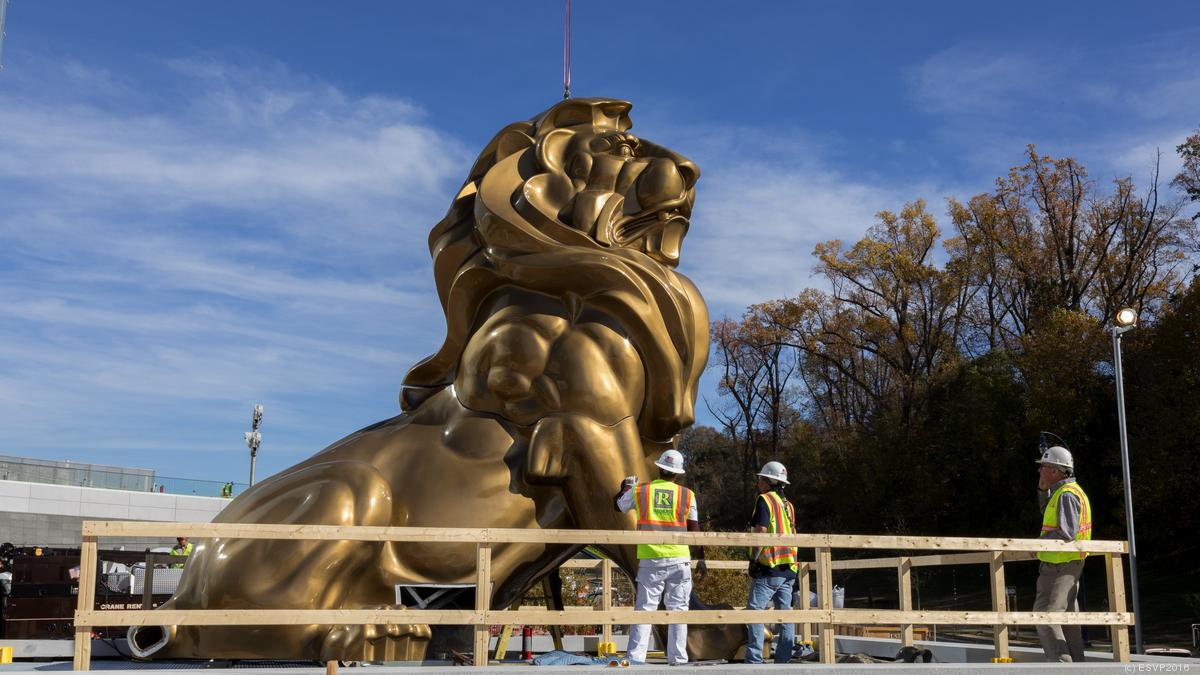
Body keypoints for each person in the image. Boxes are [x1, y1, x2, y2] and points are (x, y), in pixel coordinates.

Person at [615, 449, 706, 665]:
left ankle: (636, 658)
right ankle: (678, 658)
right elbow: (694, 529)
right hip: (680, 558)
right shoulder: (687, 495)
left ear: (659, 468)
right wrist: (701, 558)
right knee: (679, 611)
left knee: (645, 609)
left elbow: (619, 506)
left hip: (651, 558)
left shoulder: (641, 490)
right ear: (677, 473)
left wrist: (627, 487)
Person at [1033, 445, 1092, 662]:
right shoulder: (1065, 492)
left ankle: (1061, 666)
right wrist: (1042, 492)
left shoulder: (1067, 495)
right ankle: (1077, 665)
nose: (1039, 471)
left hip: (1060, 564)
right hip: (1062, 563)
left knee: (1046, 615)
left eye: (1043, 467)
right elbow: (1051, 515)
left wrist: (1036, 545)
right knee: (1067, 619)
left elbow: (1066, 533)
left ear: (1054, 471)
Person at [745, 461, 798, 664]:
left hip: (769, 566)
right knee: (785, 615)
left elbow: (761, 531)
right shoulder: (788, 505)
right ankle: (783, 660)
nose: (758, 482)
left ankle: (754, 660)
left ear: (770, 481)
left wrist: (753, 559)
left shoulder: (765, 500)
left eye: (761, 478)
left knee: (755, 612)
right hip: (789, 567)